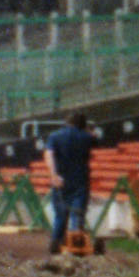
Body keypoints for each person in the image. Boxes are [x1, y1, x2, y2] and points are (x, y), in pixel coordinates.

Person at [43, 110, 94, 260]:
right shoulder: (87, 137)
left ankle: (56, 242)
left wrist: (53, 174)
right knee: (77, 213)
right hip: (80, 180)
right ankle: (76, 244)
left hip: (60, 180)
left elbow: (49, 154)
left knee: (60, 214)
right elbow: (94, 141)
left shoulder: (55, 136)